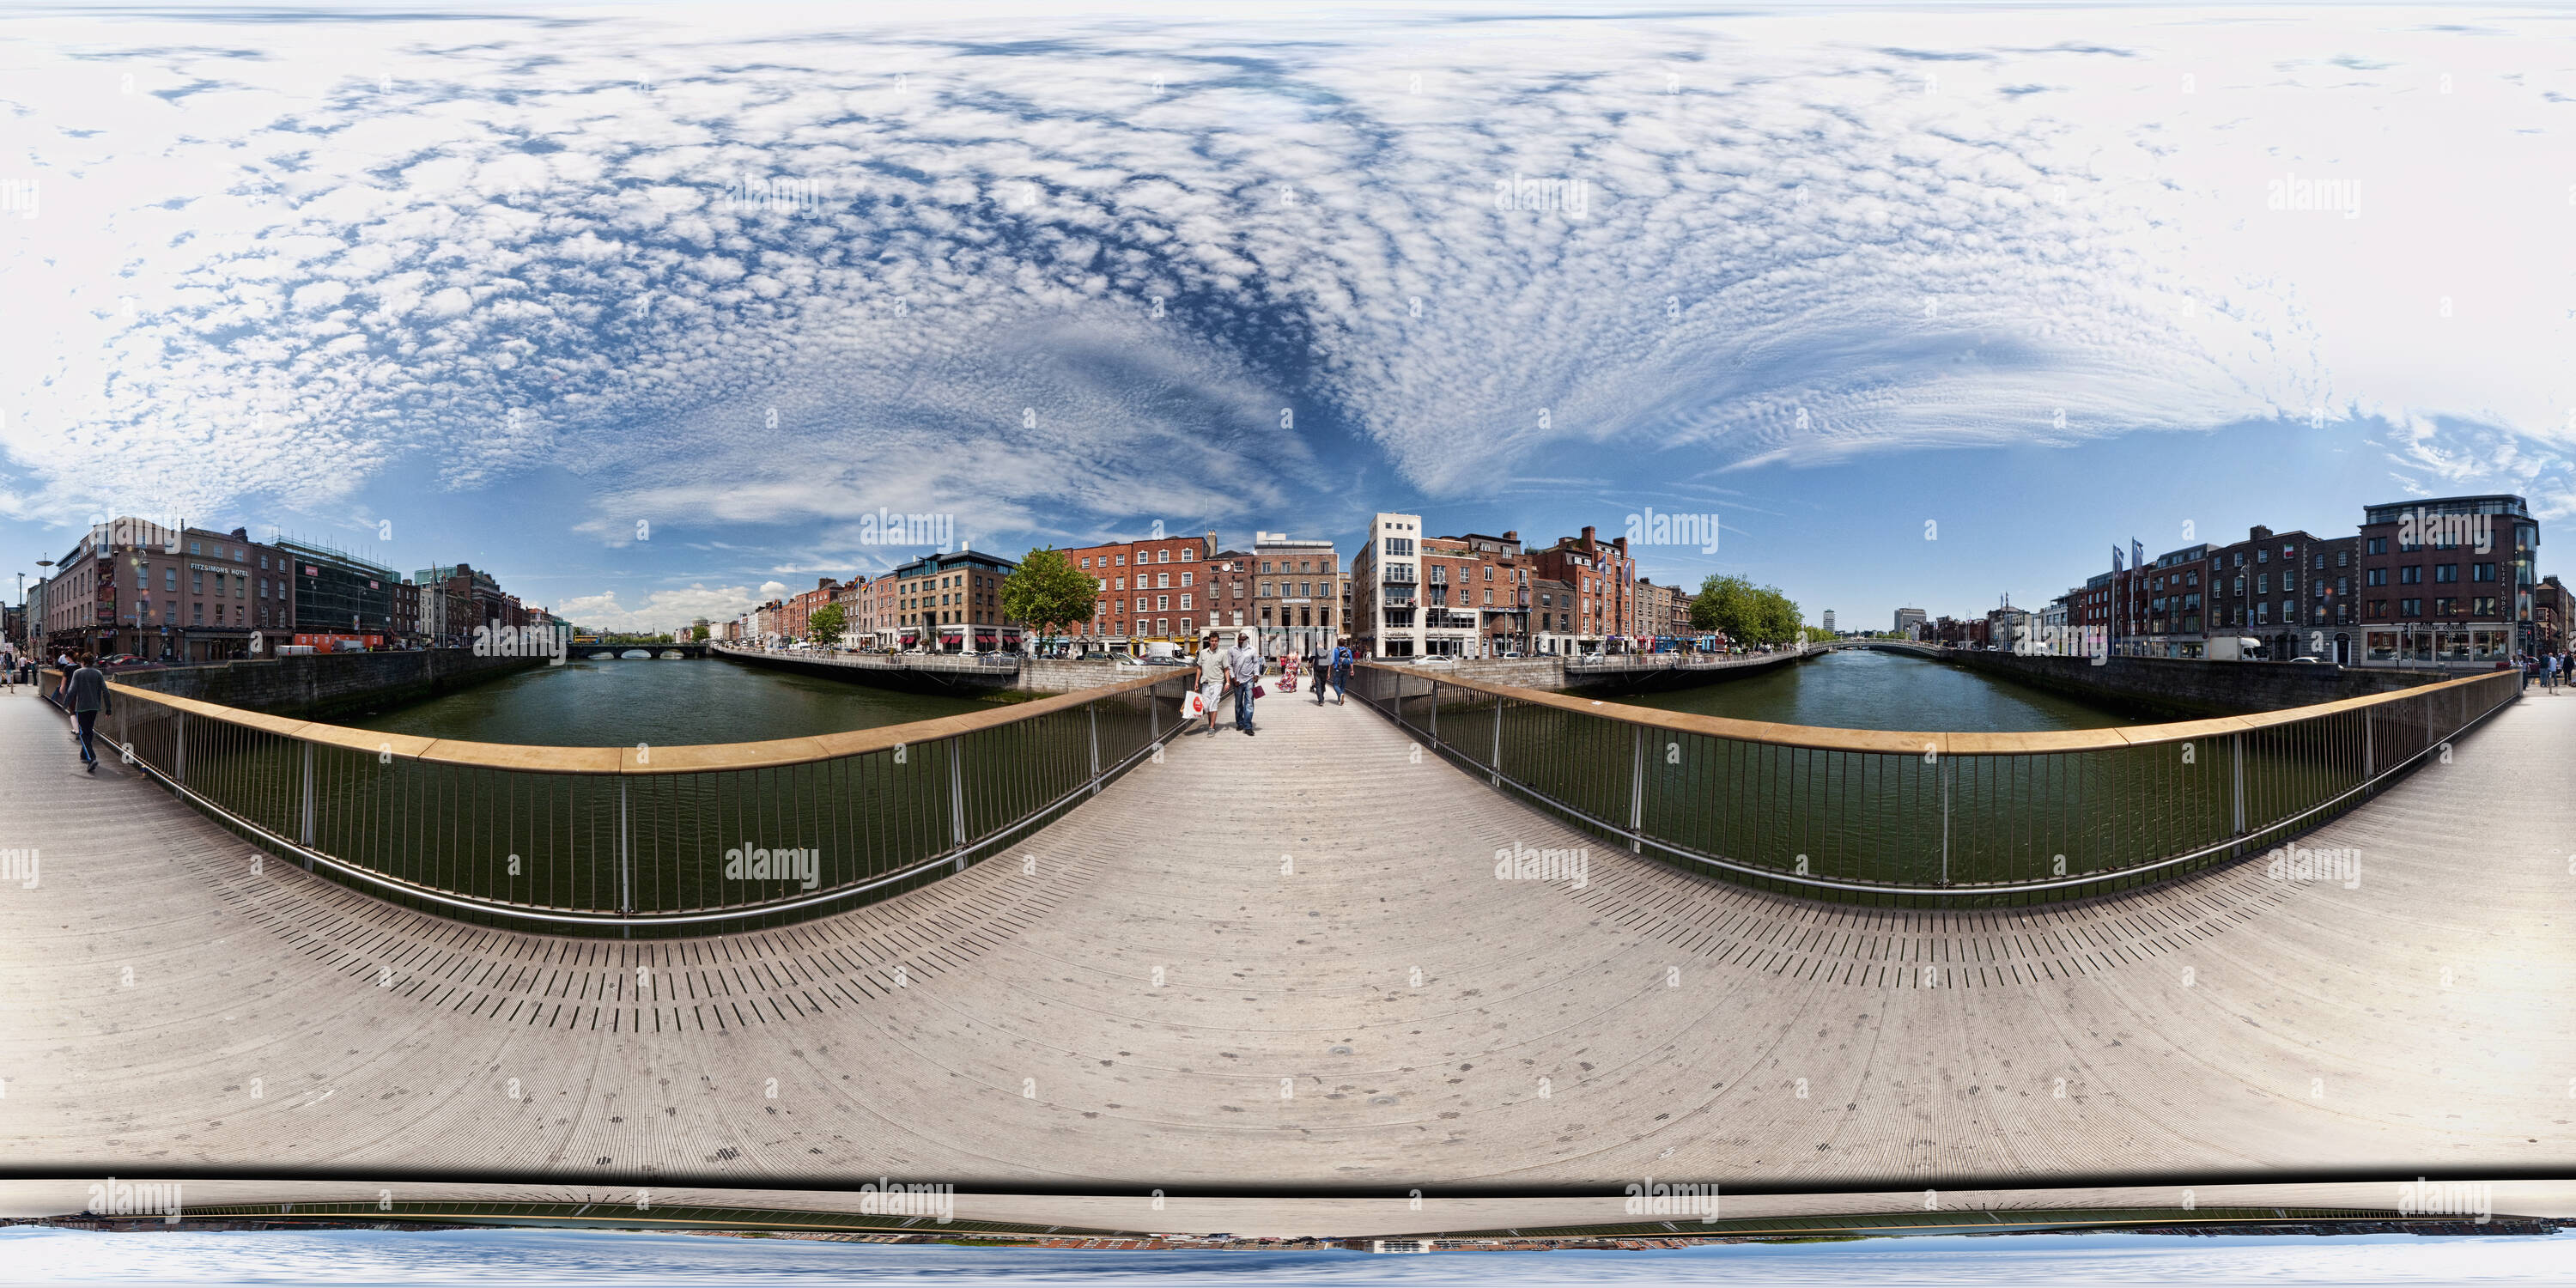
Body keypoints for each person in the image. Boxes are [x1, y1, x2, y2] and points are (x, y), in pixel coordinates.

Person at [64, 651, 112, 772]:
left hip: (82, 707)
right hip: (94, 707)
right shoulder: (98, 673)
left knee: (83, 734)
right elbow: (106, 691)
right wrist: (108, 708)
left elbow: (71, 690)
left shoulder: (78, 673)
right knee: (88, 731)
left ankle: (91, 758)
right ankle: (84, 755)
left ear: (83, 662)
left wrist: (65, 704)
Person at [1226, 629, 1262, 735]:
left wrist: (1256, 674)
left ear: (1247, 640)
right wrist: (1233, 678)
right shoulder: (1232, 650)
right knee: (1238, 704)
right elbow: (1229, 665)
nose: (1241, 641)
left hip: (1249, 680)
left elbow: (1256, 663)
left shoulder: (1253, 650)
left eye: (1243, 640)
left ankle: (1248, 726)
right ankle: (1240, 723)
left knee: (1249, 703)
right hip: (1237, 681)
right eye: (1239, 640)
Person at [1194, 630, 1227, 735]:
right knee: (1206, 707)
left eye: (1216, 641)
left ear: (1218, 642)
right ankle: (1211, 721)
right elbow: (1199, 668)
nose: (1214, 643)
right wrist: (1196, 682)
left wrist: (1228, 682)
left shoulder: (1222, 653)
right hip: (1205, 683)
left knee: (1214, 704)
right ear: (1209, 641)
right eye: (1212, 641)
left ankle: (1211, 728)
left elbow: (1226, 669)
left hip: (1217, 682)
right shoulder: (1203, 653)